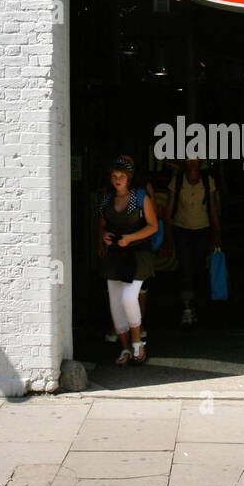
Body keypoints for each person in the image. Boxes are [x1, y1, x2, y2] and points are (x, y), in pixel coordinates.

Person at [97, 156, 159, 364]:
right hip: (115, 256)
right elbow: (102, 225)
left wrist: (130, 238)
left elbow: (153, 226)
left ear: (129, 177)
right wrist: (104, 236)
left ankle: (137, 343)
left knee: (129, 298)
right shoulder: (106, 199)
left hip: (137, 254)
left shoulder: (141, 197)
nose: (117, 180)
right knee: (115, 304)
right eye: (114, 176)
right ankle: (124, 349)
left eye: (121, 176)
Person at [167, 156, 220, 326]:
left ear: (200, 162)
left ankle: (195, 303)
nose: (192, 164)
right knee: (185, 268)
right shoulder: (177, 180)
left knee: (197, 268)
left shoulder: (207, 180)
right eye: (189, 160)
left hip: (202, 230)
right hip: (181, 229)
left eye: (195, 160)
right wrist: (167, 237)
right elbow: (168, 209)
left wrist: (216, 236)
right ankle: (187, 309)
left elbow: (212, 209)